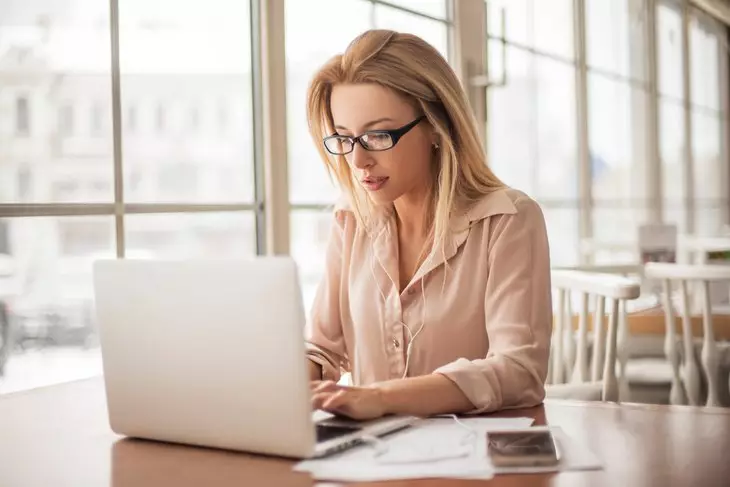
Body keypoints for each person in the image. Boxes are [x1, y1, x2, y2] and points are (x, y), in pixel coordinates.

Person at [304, 30, 552, 420]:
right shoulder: (350, 220)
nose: (358, 161)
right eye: (345, 138)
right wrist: (289, 381)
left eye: (378, 135)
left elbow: (519, 371)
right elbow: (321, 347)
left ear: (437, 125)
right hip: (372, 459)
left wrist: (382, 397)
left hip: (472, 462)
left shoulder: (508, 220)